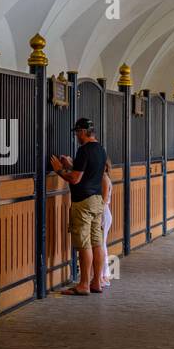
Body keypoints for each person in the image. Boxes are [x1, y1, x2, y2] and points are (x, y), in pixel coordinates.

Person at [50, 117, 107, 295]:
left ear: (83, 132)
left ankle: (83, 284)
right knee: (97, 242)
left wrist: (59, 169)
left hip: (83, 202)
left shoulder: (83, 150)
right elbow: (87, 171)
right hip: (97, 201)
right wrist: (71, 165)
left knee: (84, 244)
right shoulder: (101, 150)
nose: (76, 136)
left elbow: (75, 178)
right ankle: (96, 282)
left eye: (77, 133)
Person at [99, 159, 113, 287]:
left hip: (103, 213)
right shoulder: (105, 177)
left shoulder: (103, 178)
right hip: (105, 212)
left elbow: (103, 199)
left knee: (101, 244)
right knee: (102, 244)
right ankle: (104, 274)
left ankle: (103, 275)